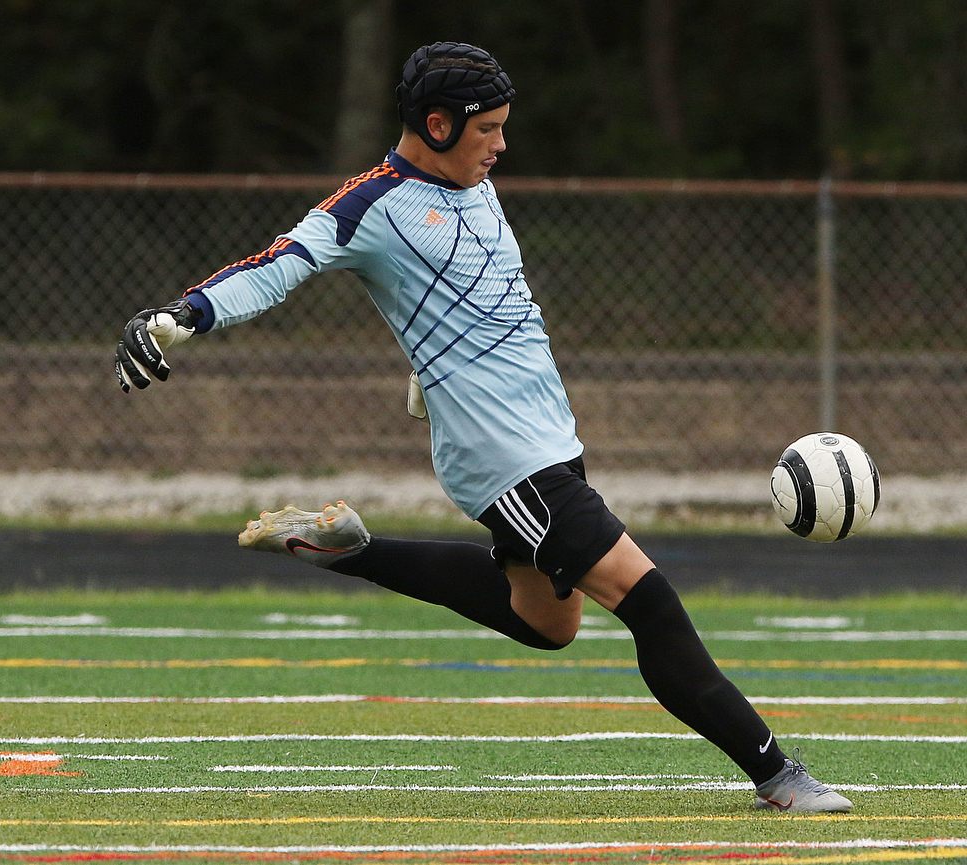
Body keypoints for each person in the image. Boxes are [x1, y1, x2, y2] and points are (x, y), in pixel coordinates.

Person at [115, 41, 851, 814]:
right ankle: (776, 772)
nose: (501, 144)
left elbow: (476, 296)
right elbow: (279, 263)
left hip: (549, 440)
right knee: (649, 601)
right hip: (505, 458)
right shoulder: (372, 205)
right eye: (487, 129)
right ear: (436, 124)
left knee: (548, 621)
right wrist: (182, 315)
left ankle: (353, 551)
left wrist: (435, 363)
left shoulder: (473, 181)